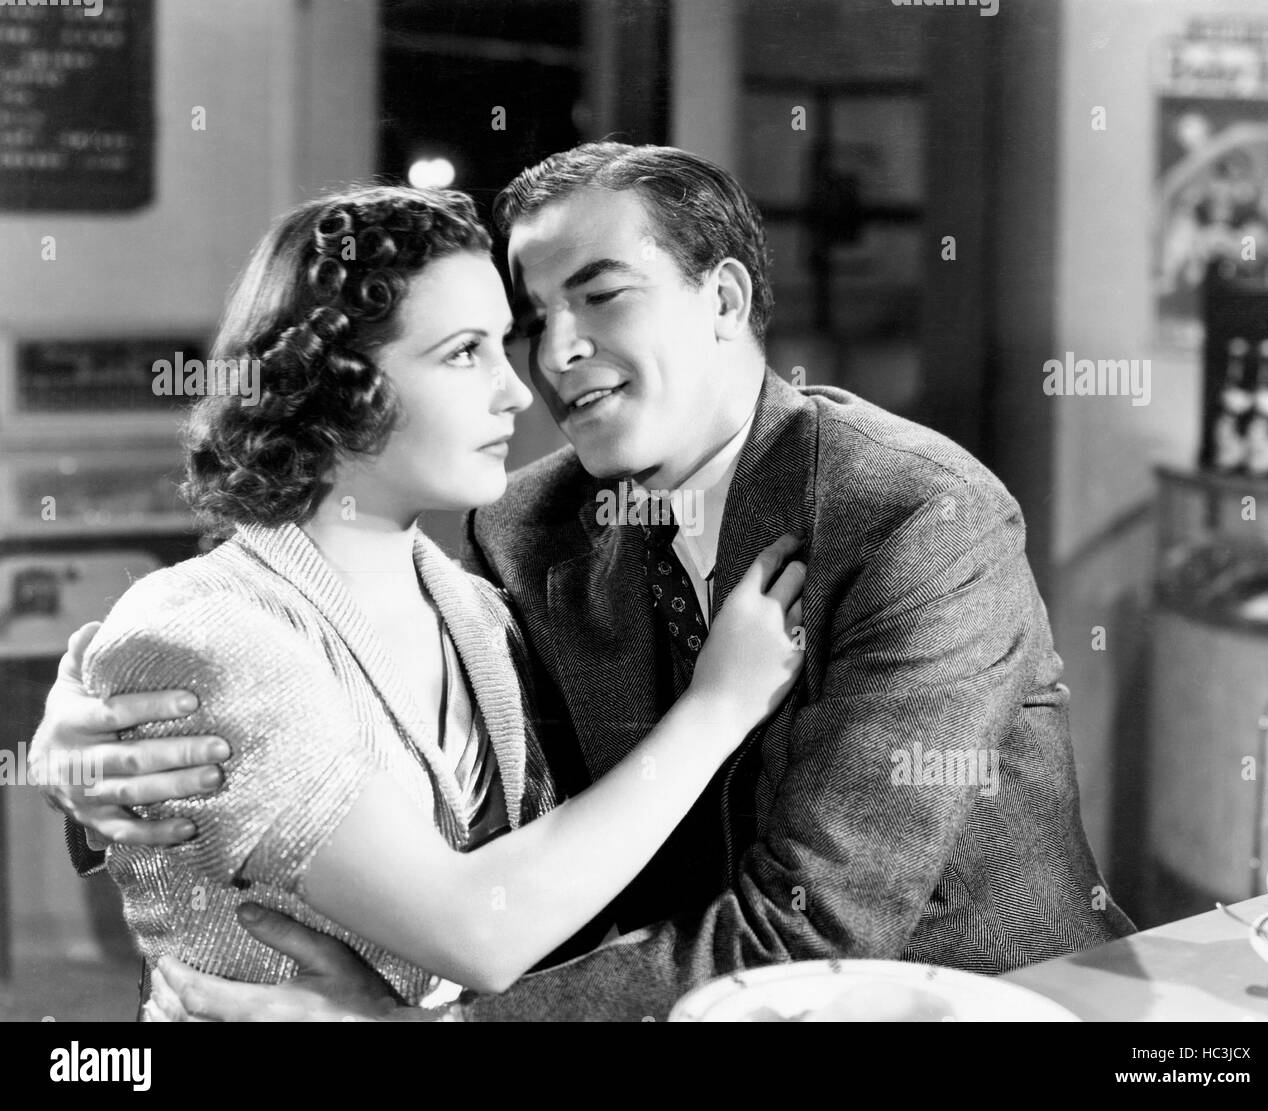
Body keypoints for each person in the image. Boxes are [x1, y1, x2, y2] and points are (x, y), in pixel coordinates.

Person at [37, 144, 1134, 1023]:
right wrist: (94, 764)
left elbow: (814, 930)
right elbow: (435, 772)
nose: (553, 356)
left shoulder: (913, 517)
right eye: (527, 322)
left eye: (601, 296)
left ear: (724, 298)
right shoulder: (524, 524)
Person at [33, 182, 806, 1012]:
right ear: (337, 383)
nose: (518, 390)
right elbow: (474, 930)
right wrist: (719, 704)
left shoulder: (482, 610)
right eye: (464, 351)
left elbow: (582, 872)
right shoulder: (209, 630)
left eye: (505, 345)